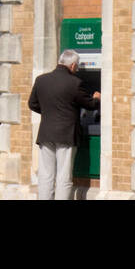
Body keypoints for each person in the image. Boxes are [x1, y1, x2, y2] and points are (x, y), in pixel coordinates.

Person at [28, 48, 100, 200]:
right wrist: (97, 98)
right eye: (77, 66)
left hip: (46, 133)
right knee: (64, 176)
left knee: (46, 175)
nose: (78, 69)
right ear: (73, 65)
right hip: (67, 135)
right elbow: (89, 105)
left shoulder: (41, 80)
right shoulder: (75, 83)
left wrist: (49, 113)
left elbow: (32, 104)